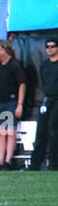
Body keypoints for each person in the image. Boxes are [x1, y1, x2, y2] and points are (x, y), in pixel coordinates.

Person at [0, 38, 27, 171]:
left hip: (10, 101)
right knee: (1, 132)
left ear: (3, 50)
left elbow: (22, 84)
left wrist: (19, 104)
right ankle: (0, 161)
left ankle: (8, 160)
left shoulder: (14, 64)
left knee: (10, 131)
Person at [31, 36, 58, 171]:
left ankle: (54, 163)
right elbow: (43, 82)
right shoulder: (45, 64)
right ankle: (35, 164)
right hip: (47, 99)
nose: (49, 49)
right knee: (41, 130)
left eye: (52, 46)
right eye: (47, 46)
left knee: (53, 130)